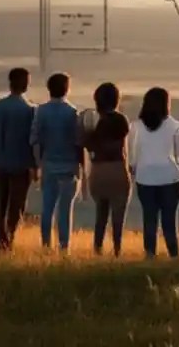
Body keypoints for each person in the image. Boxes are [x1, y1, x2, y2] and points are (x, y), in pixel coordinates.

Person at [129, 86, 179, 259]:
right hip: (170, 177)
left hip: (145, 178)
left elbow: (132, 158)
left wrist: (135, 171)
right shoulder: (175, 125)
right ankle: (174, 256)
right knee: (169, 220)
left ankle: (150, 256)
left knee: (149, 220)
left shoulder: (136, 127)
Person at [0, 67, 37, 252]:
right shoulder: (30, 110)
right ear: (25, 84)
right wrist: (36, 164)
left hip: (0, 162)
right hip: (22, 164)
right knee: (17, 205)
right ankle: (9, 239)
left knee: (0, 204)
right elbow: (33, 140)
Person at [30, 72, 83, 253]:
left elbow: (35, 139)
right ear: (67, 89)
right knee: (65, 210)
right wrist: (80, 167)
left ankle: (45, 245)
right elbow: (78, 142)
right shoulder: (72, 112)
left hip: (49, 165)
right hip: (68, 166)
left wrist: (37, 164)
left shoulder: (41, 111)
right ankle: (64, 247)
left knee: (47, 208)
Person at [81, 82, 131, 256]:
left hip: (97, 170)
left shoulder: (94, 121)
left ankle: (97, 248)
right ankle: (117, 250)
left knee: (100, 214)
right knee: (118, 215)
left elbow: (87, 144)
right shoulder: (121, 120)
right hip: (117, 168)